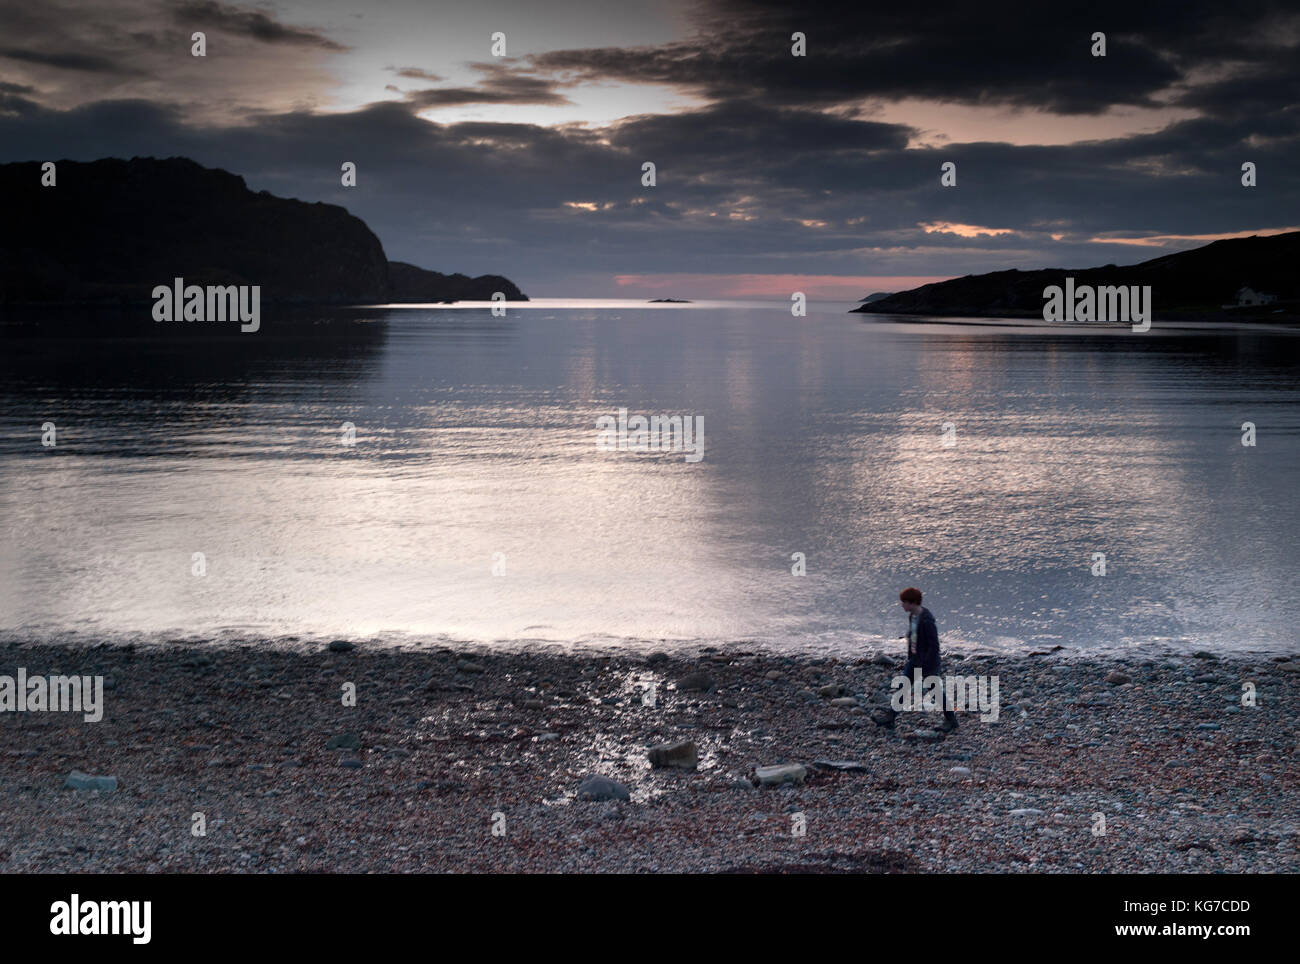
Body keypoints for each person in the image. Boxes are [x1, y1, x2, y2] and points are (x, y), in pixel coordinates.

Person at [876, 587, 958, 732]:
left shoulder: (927, 620)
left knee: (936, 692)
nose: (902, 605)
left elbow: (934, 645)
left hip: (927, 663)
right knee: (903, 688)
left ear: (912, 603)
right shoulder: (912, 616)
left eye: (904, 602)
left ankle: (951, 721)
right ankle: (890, 718)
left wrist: (926, 664)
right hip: (914, 660)